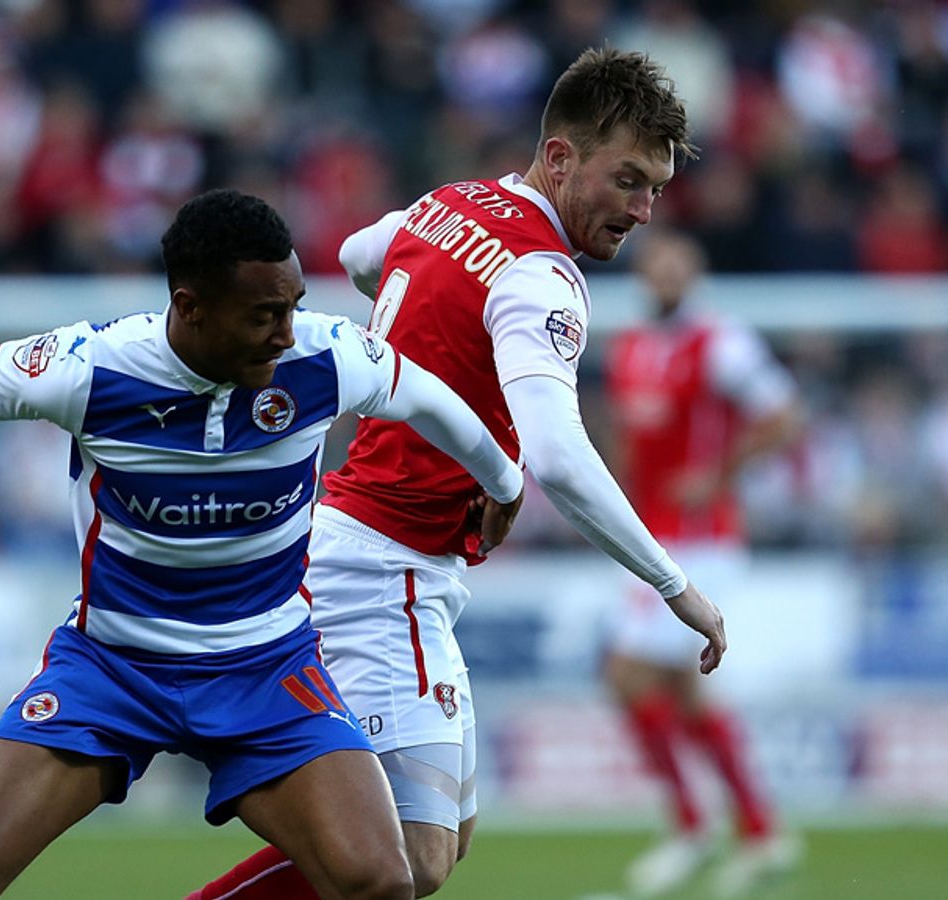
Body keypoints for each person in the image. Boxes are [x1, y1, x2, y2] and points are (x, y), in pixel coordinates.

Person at [0, 189, 527, 900]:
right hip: (114, 668)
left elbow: (429, 398)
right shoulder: (93, 368)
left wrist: (502, 480)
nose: (287, 332)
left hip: (266, 667)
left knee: (381, 882)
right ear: (190, 307)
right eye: (266, 314)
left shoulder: (328, 360)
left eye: (294, 306)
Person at [189, 48, 727, 900]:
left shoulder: (448, 205)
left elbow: (362, 255)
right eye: (626, 181)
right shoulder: (542, 276)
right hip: (383, 568)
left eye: (654, 188)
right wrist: (675, 586)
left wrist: (437, 338)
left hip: (375, 550)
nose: (643, 210)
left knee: (445, 837)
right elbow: (559, 456)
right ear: (560, 158)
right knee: (411, 856)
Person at [600, 230, 804, 898]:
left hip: (701, 540)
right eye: (656, 266)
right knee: (683, 691)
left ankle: (693, 825)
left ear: (695, 274)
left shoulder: (721, 342)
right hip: (650, 536)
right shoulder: (630, 345)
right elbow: (629, 438)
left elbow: (783, 415)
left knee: (628, 674)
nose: (666, 277)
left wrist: (718, 477)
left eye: (677, 266)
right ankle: (758, 829)